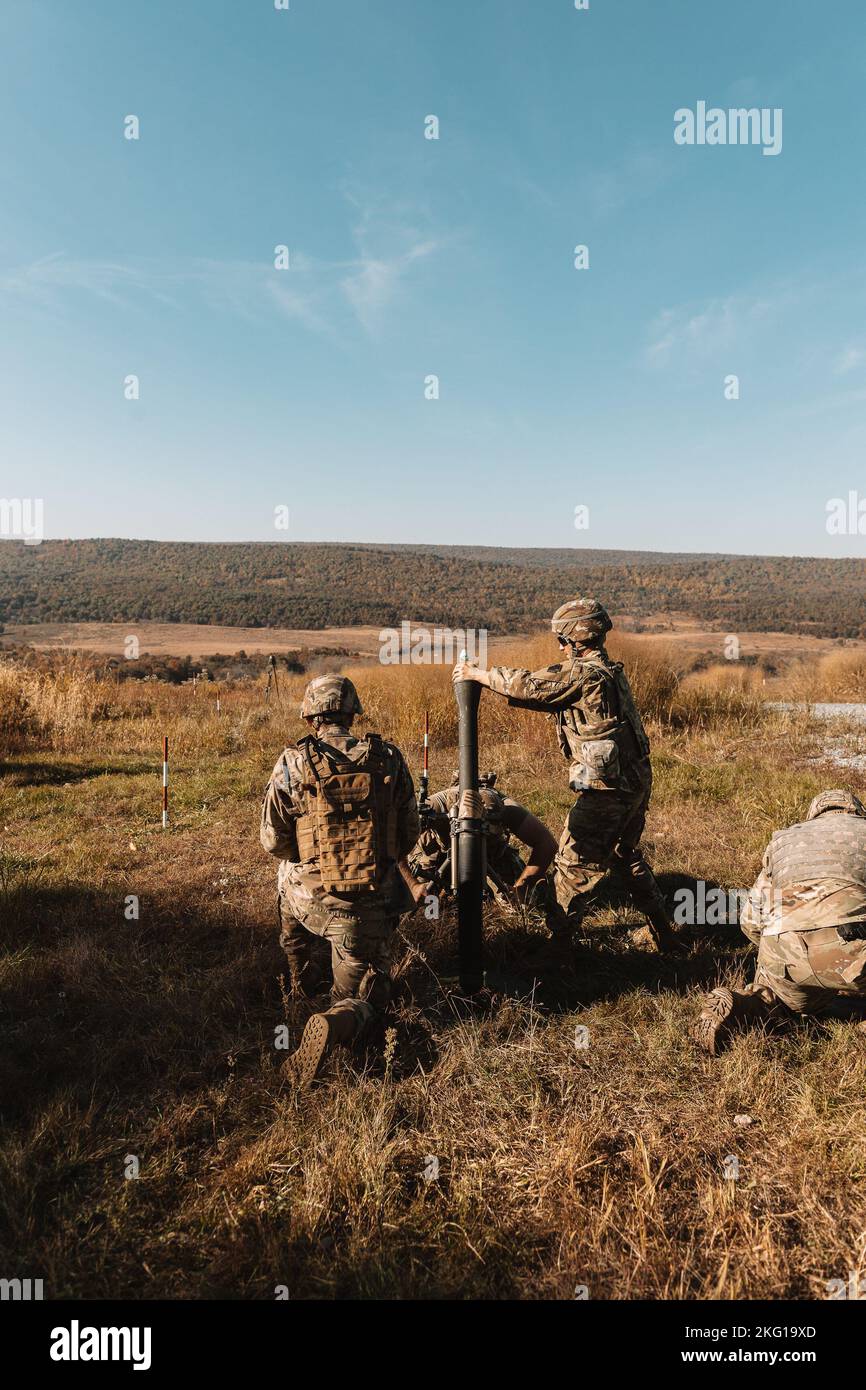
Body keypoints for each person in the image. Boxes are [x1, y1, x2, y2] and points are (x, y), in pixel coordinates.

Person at [452, 598, 682, 953]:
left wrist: (477, 675)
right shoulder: (611, 671)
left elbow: (528, 686)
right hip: (633, 782)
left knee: (570, 869)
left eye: (562, 639)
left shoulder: (583, 673)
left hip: (608, 792)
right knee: (624, 854)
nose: (559, 646)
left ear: (575, 639)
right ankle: (664, 934)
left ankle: (557, 953)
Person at [260, 674, 425, 1086]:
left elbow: (273, 842)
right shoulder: (388, 758)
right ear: (353, 712)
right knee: (368, 995)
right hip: (360, 907)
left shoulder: (292, 761)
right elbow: (407, 837)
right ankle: (337, 1020)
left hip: (304, 900)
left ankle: (300, 983)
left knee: (287, 876)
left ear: (311, 715)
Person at [693, 789, 866, 1053]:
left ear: (813, 816)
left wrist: (782, 953)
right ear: (857, 812)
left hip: (783, 949)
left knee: (777, 1003)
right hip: (851, 951)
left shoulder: (784, 841)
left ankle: (747, 1004)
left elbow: (751, 921)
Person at [410, 770, 557, 905]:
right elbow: (392, 843)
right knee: (422, 904)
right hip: (441, 853)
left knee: (527, 903)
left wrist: (522, 887)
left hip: (492, 854)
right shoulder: (434, 806)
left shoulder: (506, 808)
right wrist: (413, 885)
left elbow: (546, 843)